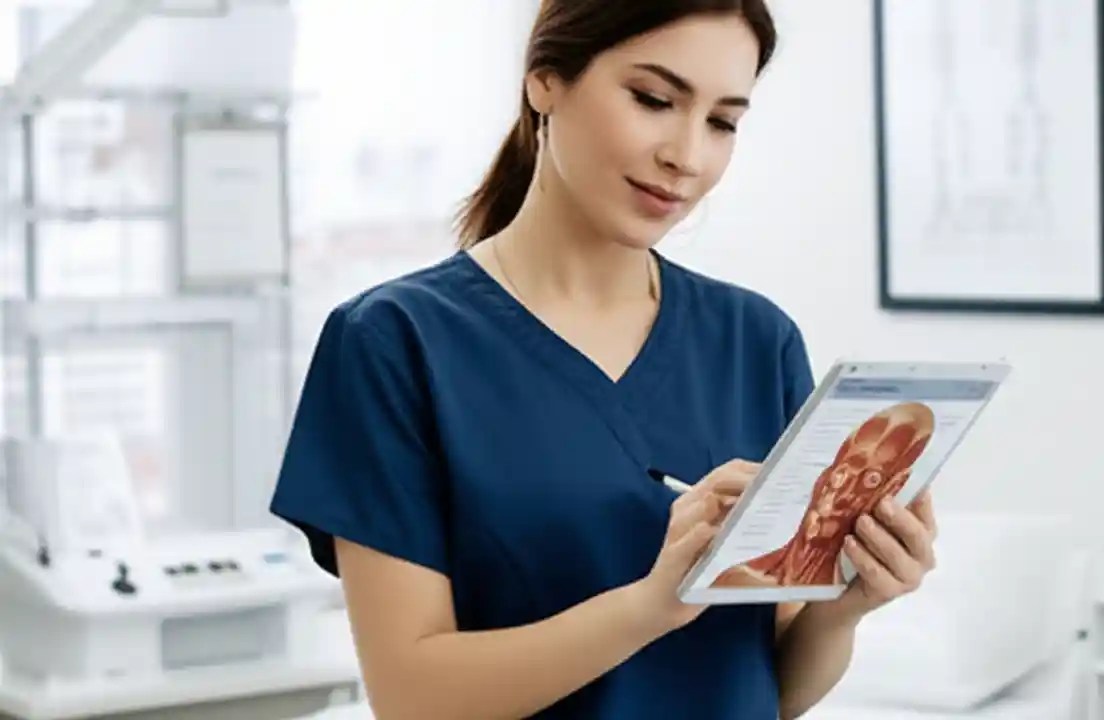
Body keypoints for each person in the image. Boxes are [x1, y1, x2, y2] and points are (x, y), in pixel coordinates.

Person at [269, 1, 940, 718]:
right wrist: (651, 605)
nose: (687, 155)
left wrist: (845, 606)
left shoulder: (756, 340)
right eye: (654, 100)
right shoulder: (394, 342)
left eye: (722, 123)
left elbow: (765, 689)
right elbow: (413, 698)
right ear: (545, 80)